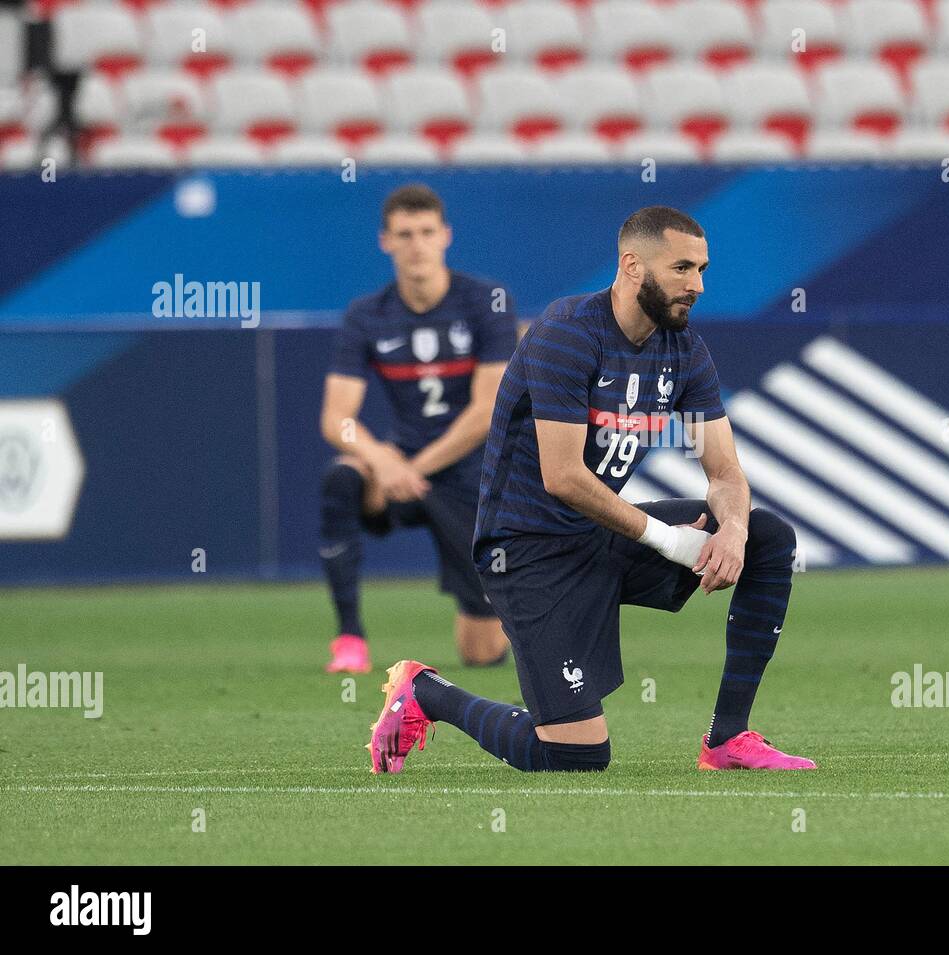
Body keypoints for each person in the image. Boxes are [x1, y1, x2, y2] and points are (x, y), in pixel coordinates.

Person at [366, 205, 815, 773]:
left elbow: (724, 473)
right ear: (632, 266)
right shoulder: (567, 334)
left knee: (768, 538)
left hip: (601, 535)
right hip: (528, 551)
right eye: (681, 268)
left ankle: (727, 739)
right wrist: (671, 542)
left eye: (702, 269)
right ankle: (427, 692)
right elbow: (564, 478)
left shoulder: (684, 351)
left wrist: (733, 529)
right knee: (575, 755)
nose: (696, 285)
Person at [318, 184, 515, 674]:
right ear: (385, 241)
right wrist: (382, 460)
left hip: (473, 475)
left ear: (445, 235)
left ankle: (508, 619)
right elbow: (336, 418)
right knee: (342, 479)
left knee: (481, 653)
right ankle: (349, 639)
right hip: (399, 469)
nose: (417, 244)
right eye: (404, 234)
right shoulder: (367, 315)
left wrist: (411, 468)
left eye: (427, 232)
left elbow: (487, 411)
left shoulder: (486, 301)